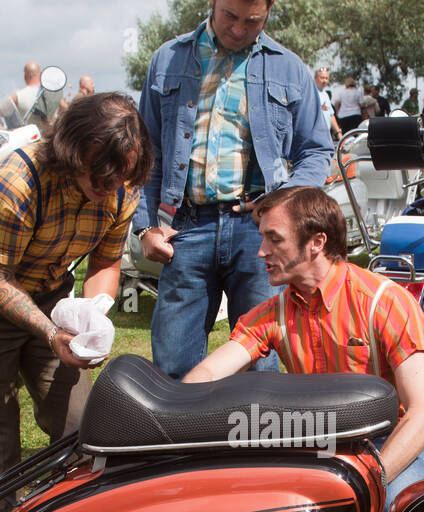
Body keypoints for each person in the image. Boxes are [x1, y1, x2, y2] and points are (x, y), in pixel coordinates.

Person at [0, 93, 153, 512]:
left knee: (81, 425)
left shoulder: (123, 187)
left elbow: (107, 260)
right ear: (73, 150)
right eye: (100, 178)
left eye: (120, 179)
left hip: (53, 293)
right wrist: (49, 332)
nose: (109, 190)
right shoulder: (14, 184)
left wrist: (93, 312)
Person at [184, 186, 424, 512]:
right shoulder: (271, 314)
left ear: (316, 242)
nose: (261, 252)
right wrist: (174, 414)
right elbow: (207, 373)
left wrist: (369, 480)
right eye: (262, 238)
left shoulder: (385, 302)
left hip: (387, 443)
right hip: (315, 442)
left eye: (274, 239)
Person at [133, 0, 333, 379]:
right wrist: (146, 227)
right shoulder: (168, 59)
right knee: (174, 365)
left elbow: (317, 150)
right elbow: (148, 152)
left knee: (260, 362)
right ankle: (187, 438)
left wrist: (283, 204)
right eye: (231, 16)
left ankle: (254, 438)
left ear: (269, 12)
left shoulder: (289, 68)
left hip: (259, 234)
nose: (240, 29)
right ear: (213, 3)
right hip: (184, 229)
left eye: (253, 21)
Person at [315, 68, 340, 140]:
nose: (324, 80)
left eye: (326, 78)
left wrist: (338, 133)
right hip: (315, 135)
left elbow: (331, 115)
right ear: (315, 78)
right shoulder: (311, 92)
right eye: (322, 78)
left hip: (326, 135)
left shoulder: (325, 94)